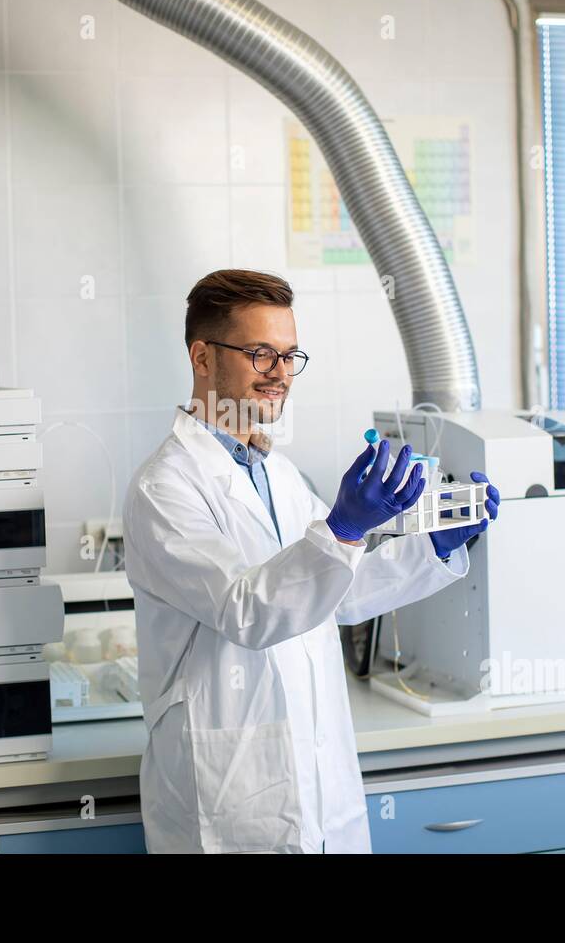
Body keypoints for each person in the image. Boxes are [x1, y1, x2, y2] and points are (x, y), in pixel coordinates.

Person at [123, 269, 499, 853]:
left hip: (325, 796)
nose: (279, 374)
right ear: (202, 358)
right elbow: (247, 612)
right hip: (230, 808)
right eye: (260, 354)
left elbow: (335, 596)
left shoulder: (278, 473)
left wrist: (434, 548)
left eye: (289, 355)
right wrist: (343, 528)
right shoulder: (165, 488)